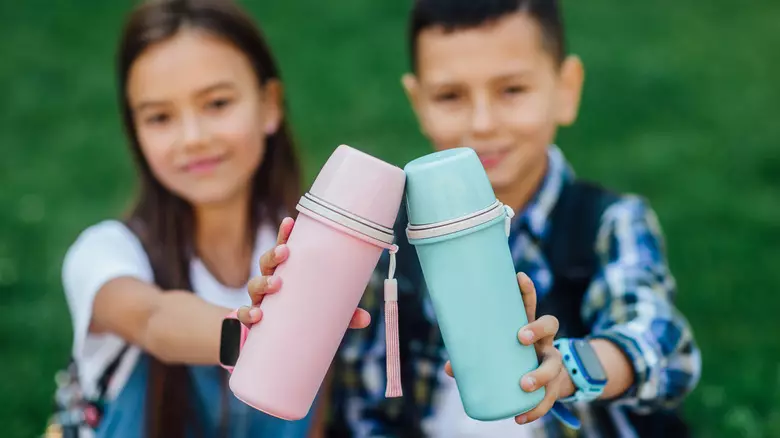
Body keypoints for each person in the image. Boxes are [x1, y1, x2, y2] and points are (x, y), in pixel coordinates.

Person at [241, 1, 702, 437]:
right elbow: (365, 401)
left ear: (566, 90)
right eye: (450, 96)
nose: (482, 123)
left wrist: (570, 369)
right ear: (418, 101)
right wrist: (292, 320)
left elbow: (664, 346)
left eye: (512, 90)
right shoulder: (390, 240)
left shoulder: (607, 223)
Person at [55, 1, 370, 437]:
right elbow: (154, 320)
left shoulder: (307, 250)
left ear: (269, 105)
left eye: (217, 103)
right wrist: (259, 334)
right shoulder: (105, 253)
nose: (193, 138)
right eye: (160, 117)